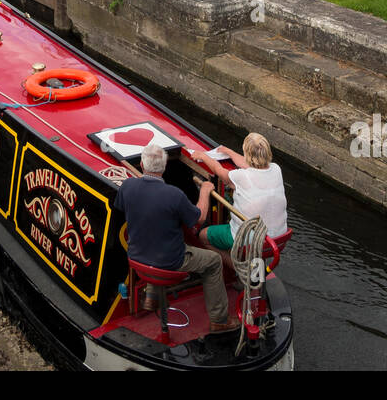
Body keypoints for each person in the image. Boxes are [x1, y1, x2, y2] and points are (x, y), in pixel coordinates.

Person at [115, 144, 240, 334]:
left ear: (141, 165)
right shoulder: (174, 195)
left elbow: (125, 208)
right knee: (214, 261)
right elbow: (199, 218)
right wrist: (205, 190)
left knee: (153, 234)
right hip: (170, 261)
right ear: (164, 167)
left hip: (136, 255)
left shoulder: (127, 186)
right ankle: (219, 319)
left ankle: (152, 294)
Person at [194, 133, 289, 263]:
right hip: (277, 240)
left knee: (203, 236)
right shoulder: (276, 169)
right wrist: (229, 152)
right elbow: (249, 165)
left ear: (247, 155)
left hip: (248, 243)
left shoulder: (241, 177)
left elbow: (218, 169)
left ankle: (237, 267)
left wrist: (202, 156)